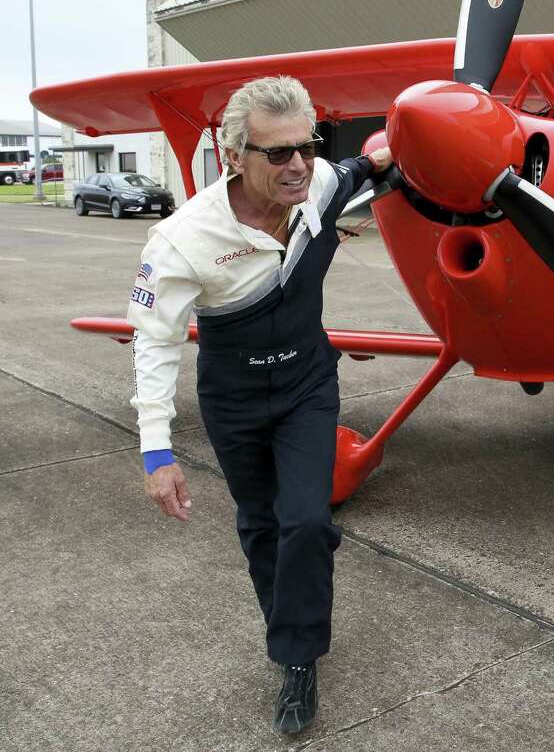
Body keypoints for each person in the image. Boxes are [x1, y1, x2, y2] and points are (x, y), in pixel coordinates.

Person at [128, 75, 392, 734]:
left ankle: (298, 659)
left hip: (306, 384)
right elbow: (154, 344)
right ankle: (292, 632)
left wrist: (401, 151)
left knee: (305, 520)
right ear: (235, 158)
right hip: (234, 397)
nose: (299, 164)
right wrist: (157, 450)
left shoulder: (320, 185)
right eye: (277, 153)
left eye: (308, 145)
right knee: (263, 526)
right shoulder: (181, 238)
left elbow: (362, 166)